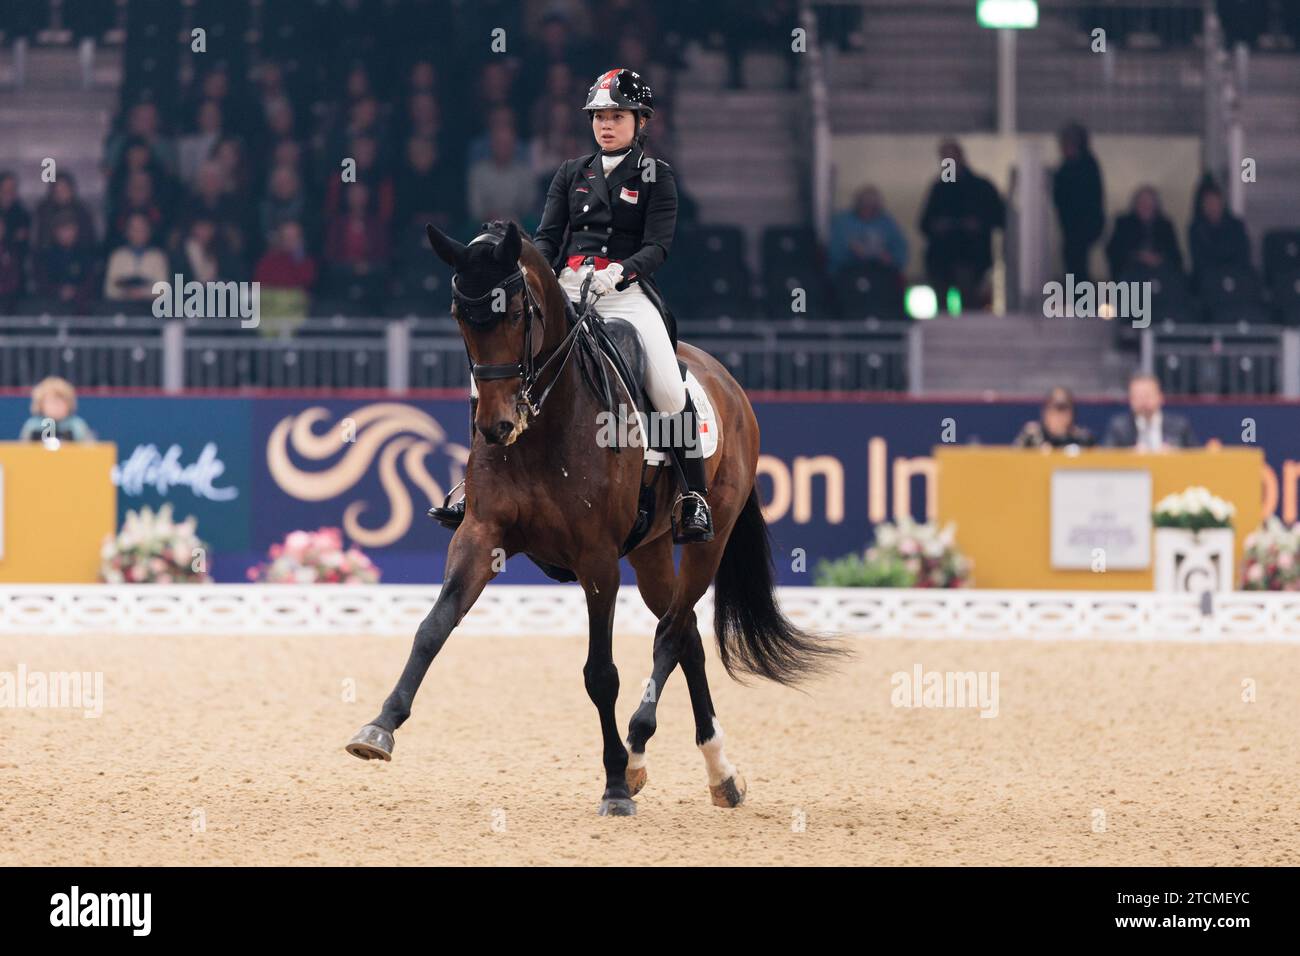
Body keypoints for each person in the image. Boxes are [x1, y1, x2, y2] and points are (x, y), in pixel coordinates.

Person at [431, 67, 713, 542]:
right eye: (599, 116)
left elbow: (658, 245)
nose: (605, 124)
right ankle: (474, 487)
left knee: (666, 387)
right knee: (492, 372)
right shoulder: (570, 172)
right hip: (567, 287)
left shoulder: (657, 176)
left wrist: (619, 272)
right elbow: (546, 237)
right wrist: (532, 273)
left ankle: (692, 496)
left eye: (617, 115)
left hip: (625, 293)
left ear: (639, 121)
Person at [918, 139, 1005, 311]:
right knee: (942, 308)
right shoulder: (939, 189)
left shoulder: (981, 187)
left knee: (970, 306)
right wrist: (938, 226)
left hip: (970, 258)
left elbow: (998, 217)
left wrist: (977, 224)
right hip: (942, 260)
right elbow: (924, 223)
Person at [1051, 123, 1105, 282]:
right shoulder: (1071, 165)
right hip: (1073, 228)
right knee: (1073, 265)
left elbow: (1082, 199)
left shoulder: (1085, 165)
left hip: (1081, 227)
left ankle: (1081, 301)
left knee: (1077, 266)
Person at [1103, 372, 1198, 450]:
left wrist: (1176, 455)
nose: (1143, 400)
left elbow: (1197, 457)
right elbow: (1106, 459)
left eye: (1148, 395)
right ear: (1130, 400)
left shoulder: (1180, 425)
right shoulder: (1119, 427)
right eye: (1138, 396)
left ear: (1160, 397)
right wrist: (1129, 455)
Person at [1105, 186, 1183, 278]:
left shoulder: (1165, 225)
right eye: (1142, 202)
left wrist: (1160, 258)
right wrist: (1138, 256)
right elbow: (1113, 250)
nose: (1146, 206)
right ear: (1135, 204)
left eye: (1150, 203)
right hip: (1131, 270)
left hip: (1160, 271)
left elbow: (1175, 254)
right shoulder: (1123, 223)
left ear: (1156, 205)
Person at [829, 185, 908, 275]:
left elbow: (901, 251)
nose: (867, 211)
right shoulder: (842, 222)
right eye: (864, 206)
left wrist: (890, 258)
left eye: (872, 208)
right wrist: (852, 253)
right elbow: (833, 253)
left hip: (880, 273)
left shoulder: (887, 222)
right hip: (847, 274)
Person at [1188, 178, 1251, 289]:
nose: (1212, 207)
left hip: (1236, 278)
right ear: (1202, 206)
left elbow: (1243, 256)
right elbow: (1199, 263)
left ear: (1222, 203)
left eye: (1215, 202)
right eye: (1208, 203)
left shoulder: (1236, 226)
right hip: (1208, 282)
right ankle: (1145, 306)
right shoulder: (1196, 229)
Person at [1013, 387, 1095, 449]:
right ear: (1045, 413)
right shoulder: (1031, 436)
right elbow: (1014, 460)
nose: (1059, 417)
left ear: (1072, 414)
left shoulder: (1083, 439)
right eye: (1054, 410)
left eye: (1063, 410)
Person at [19, 376, 93, 442]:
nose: (56, 407)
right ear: (41, 405)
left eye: (61, 403)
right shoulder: (32, 426)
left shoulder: (78, 426)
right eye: (52, 402)